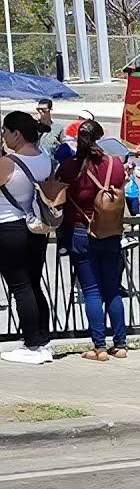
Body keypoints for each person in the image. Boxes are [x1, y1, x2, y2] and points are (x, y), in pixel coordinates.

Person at [55, 119, 128, 362]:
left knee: (92, 291)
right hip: (111, 232)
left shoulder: (68, 167)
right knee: (113, 289)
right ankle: (120, 344)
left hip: (79, 230)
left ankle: (99, 347)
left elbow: (58, 200)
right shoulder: (115, 165)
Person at [0, 112, 55, 364]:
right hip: (36, 227)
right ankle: (42, 341)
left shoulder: (8, 162)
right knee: (33, 284)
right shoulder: (45, 159)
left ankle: (31, 346)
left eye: (5, 131)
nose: (3, 136)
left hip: (9, 228)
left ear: (16, 134)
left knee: (20, 287)